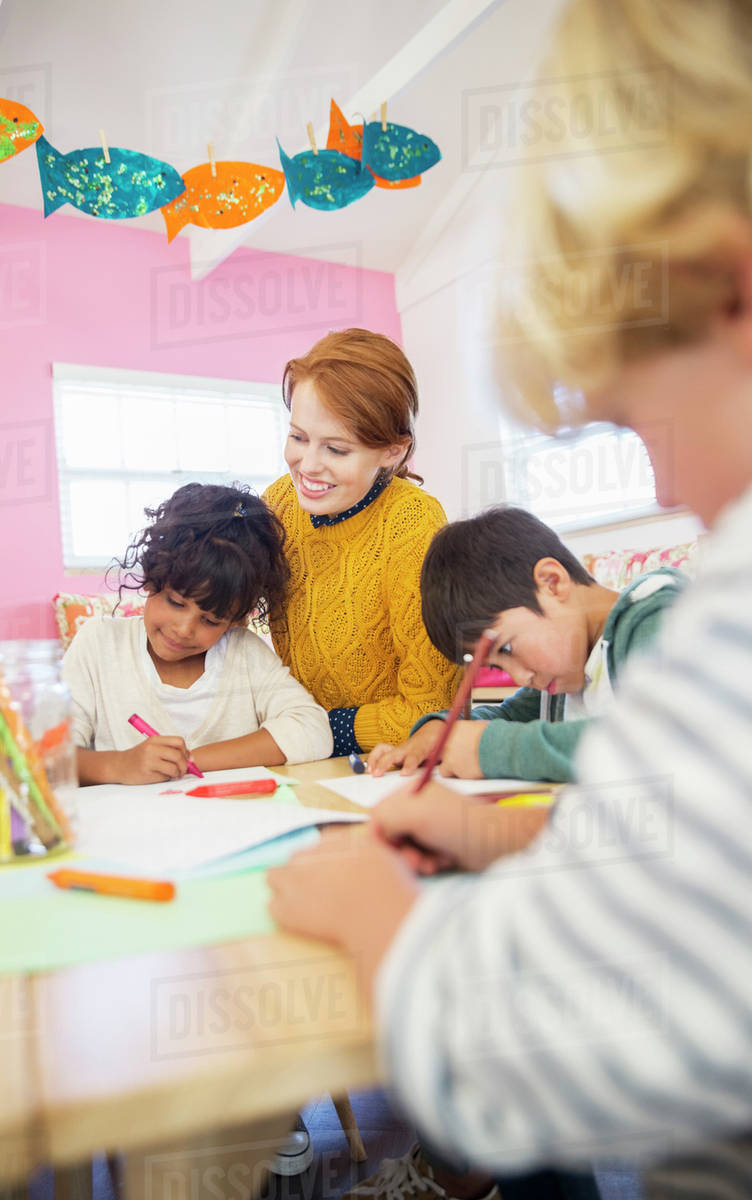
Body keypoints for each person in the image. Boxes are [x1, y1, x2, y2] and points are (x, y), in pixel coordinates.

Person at [267, 0, 752, 1196]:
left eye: (637, 418)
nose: (667, 483)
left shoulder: (702, 610)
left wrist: (374, 913)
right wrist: (489, 824)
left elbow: (567, 1054)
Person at [369, 505, 685, 782]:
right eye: (496, 665)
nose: (519, 678)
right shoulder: (564, 675)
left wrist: (494, 750)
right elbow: (509, 716)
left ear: (551, 582)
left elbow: (660, 735)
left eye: (506, 648)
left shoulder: (657, 614)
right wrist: (441, 730)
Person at [263, 328, 459, 758]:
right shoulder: (277, 502)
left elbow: (428, 710)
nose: (307, 465)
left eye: (336, 449)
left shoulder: (414, 524)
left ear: (393, 451)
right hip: (296, 750)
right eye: (298, 437)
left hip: (382, 760)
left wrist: (309, 730)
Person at [63, 482, 332, 784]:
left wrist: (188, 760)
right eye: (176, 602)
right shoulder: (100, 644)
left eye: (211, 620)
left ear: (234, 620)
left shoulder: (243, 654)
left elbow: (313, 730)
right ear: (152, 580)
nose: (184, 629)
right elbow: (49, 758)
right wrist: (118, 765)